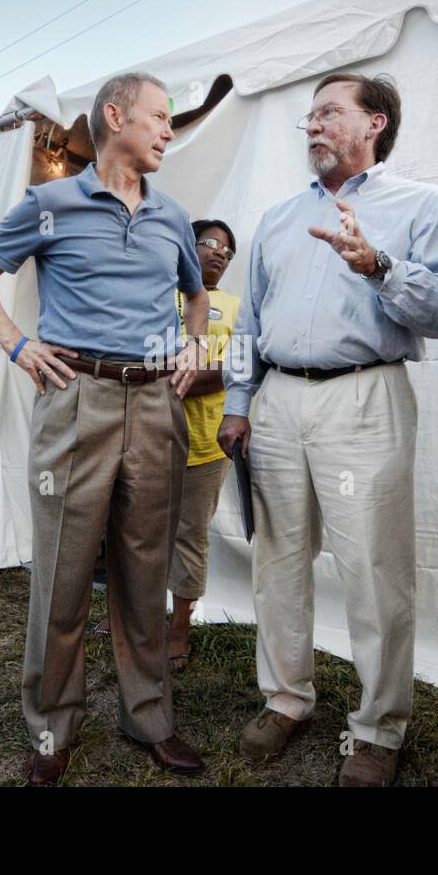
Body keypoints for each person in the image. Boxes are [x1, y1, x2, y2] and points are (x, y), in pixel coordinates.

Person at [217, 73, 438, 786]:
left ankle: (377, 728)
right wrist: (239, 403)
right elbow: (247, 323)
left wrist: (381, 265)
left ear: (375, 122)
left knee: (373, 568)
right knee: (277, 560)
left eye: (329, 112)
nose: (313, 126)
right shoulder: (275, 220)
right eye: (309, 117)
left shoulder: (422, 205)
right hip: (277, 402)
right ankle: (287, 695)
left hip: (365, 397)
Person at [0, 71, 209, 786]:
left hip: (156, 402)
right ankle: (51, 726)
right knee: (65, 572)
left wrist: (195, 343)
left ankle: (150, 716)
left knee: (143, 568)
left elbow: (196, 296)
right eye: (159, 117)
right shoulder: (51, 201)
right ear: (115, 114)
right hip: (76, 398)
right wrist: (15, 342)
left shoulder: (173, 217)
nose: (168, 129)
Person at [166, 219, 239, 673]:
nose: (219, 253)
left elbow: (237, 367)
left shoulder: (234, 305)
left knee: (189, 536)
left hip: (206, 443)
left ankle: (178, 629)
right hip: (148, 435)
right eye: (210, 242)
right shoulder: (158, 292)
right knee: (135, 531)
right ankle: (128, 618)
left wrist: (170, 383)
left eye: (227, 250)